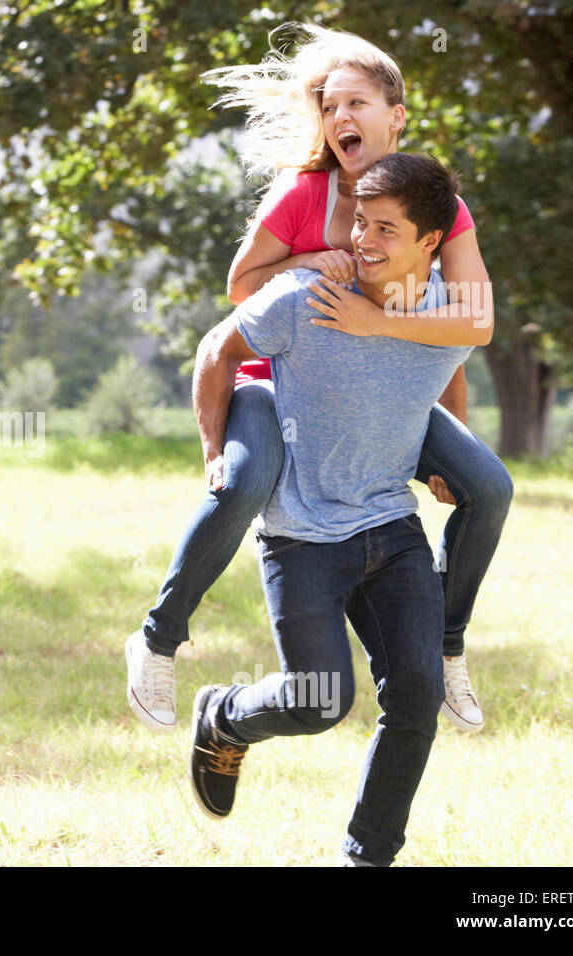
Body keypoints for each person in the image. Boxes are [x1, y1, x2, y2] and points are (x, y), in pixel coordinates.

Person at [126, 23, 511, 736]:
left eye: (355, 103)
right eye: (328, 106)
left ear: (395, 116)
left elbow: (465, 320)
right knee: (242, 485)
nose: (339, 119)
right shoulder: (304, 194)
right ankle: (158, 637)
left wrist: (442, 426)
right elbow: (241, 286)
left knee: (489, 488)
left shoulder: (437, 207)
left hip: (388, 387)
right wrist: (307, 267)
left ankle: (447, 643)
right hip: (276, 383)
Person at [188, 152, 478, 866]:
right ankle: (224, 717)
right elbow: (216, 350)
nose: (362, 241)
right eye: (359, 222)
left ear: (430, 243)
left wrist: (449, 458)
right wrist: (214, 448)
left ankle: (365, 856)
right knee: (319, 703)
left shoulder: (449, 314)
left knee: (417, 695)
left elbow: (453, 369)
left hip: (392, 530)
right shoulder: (304, 297)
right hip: (302, 538)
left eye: (386, 229)